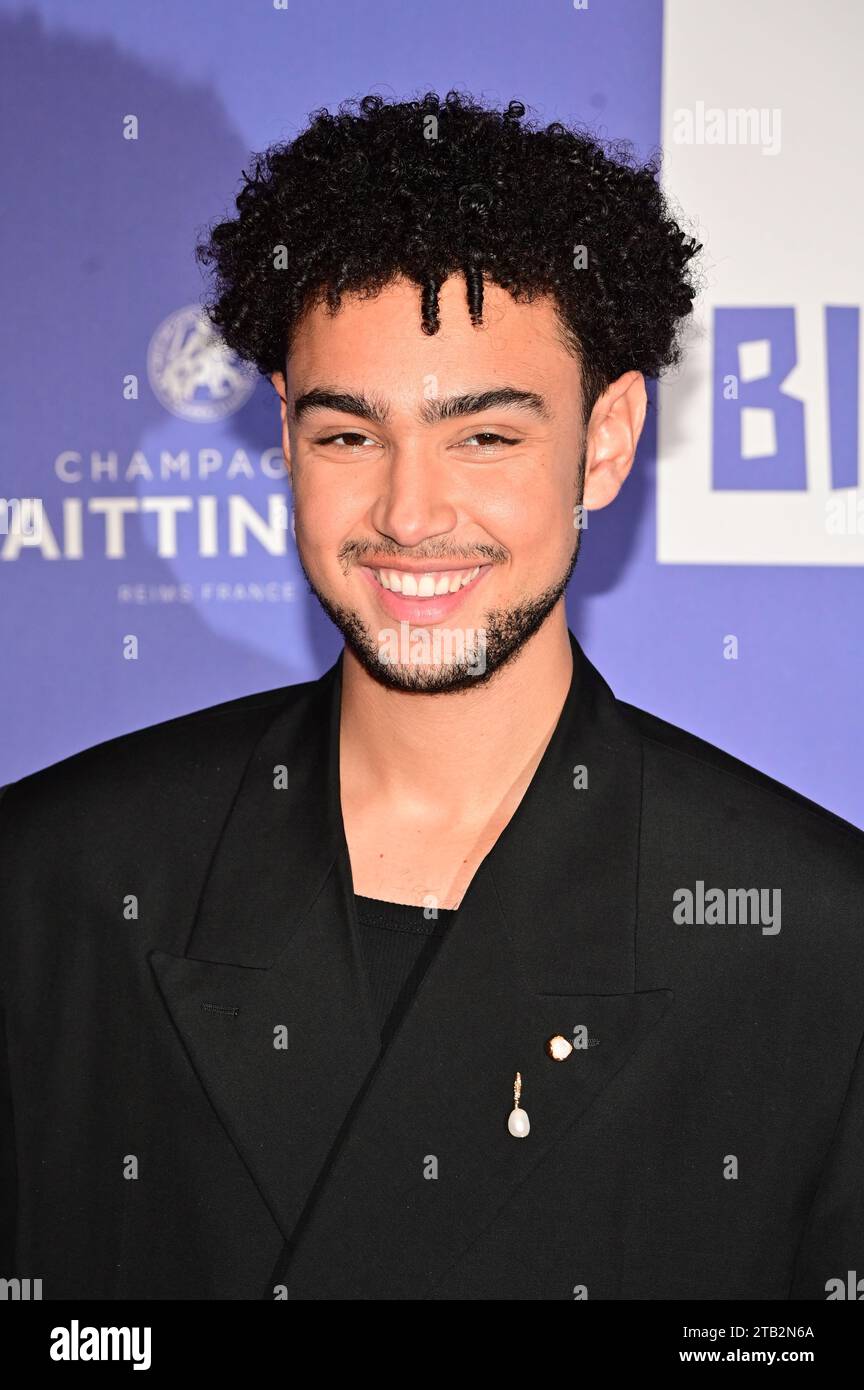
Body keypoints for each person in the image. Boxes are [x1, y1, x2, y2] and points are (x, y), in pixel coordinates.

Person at [1, 91, 862, 1301]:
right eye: (351, 437)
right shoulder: (57, 888)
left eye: (486, 439)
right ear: (287, 434)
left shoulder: (818, 945)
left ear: (605, 443)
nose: (409, 515)